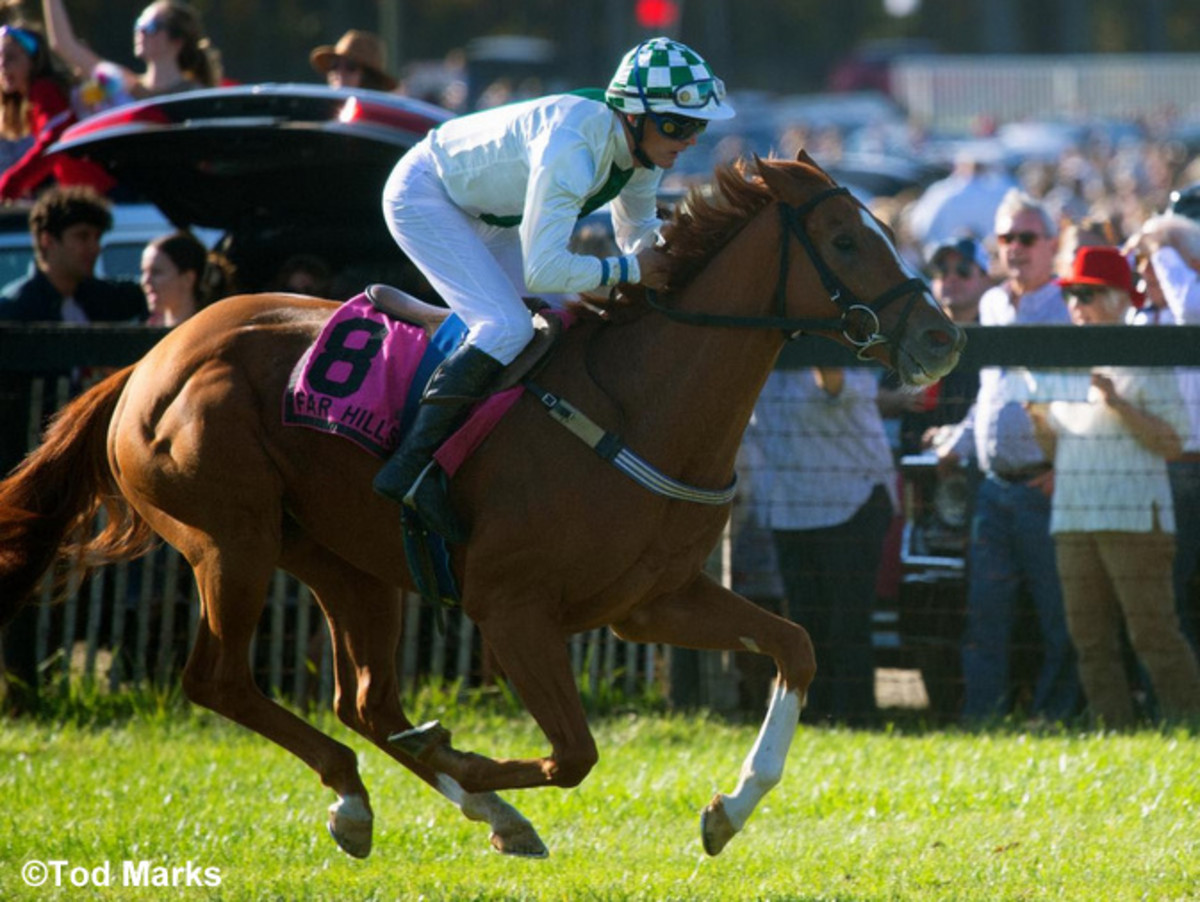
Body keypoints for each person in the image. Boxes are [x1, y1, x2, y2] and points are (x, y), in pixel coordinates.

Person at [374, 36, 733, 542]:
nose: (691, 138)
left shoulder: (639, 152)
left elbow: (638, 238)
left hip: (489, 213)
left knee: (556, 326)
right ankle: (412, 468)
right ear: (633, 115)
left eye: (698, 125)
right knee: (506, 326)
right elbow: (548, 268)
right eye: (678, 124)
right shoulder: (574, 147)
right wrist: (629, 271)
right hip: (424, 194)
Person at [1027, 245, 1200, 728]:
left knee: (1154, 634)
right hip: (1073, 517)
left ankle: (1189, 724)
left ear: (1123, 298)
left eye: (1088, 294)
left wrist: (1119, 403)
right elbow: (1057, 449)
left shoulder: (1149, 356)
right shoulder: (1063, 362)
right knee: (1088, 639)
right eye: (1071, 295)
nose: (1077, 305)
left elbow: (1172, 441)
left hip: (1134, 517)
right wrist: (1038, 419)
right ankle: (1114, 729)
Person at [937, 189, 1080, 724]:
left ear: (1049, 245)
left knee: (1058, 617)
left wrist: (1064, 467)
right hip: (993, 487)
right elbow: (990, 391)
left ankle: (1056, 716)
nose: (1016, 248)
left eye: (1026, 237)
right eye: (1006, 238)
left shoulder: (1071, 304)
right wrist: (961, 440)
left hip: (1049, 487)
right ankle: (982, 721)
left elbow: (1088, 394)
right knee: (986, 617)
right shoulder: (993, 303)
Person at [745, 366, 897, 725]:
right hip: (790, 508)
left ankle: (856, 718)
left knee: (847, 622)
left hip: (854, 500)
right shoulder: (762, 358)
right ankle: (810, 716)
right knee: (804, 621)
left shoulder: (839, 344)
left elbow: (835, 386)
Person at [1123, 211, 1200, 652]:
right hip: (1159, 469)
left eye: (1153, 260)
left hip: (1189, 467)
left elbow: (1189, 308)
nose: (1145, 270)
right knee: (1168, 592)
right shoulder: (1142, 322)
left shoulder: (1187, 303)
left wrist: (1163, 241)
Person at [879, 236, 989, 456]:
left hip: (973, 465)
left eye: (963, 270)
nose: (951, 278)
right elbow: (874, 398)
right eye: (941, 270)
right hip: (914, 464)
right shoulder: (915, 333)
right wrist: (901, 399)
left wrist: (952, 436)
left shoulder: (997, 333)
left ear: (986, 279)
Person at [0, 21, 113, 200]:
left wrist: (11, 183)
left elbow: (55, 141)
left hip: (106, 195)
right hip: (88, 194)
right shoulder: (37, 95)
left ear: (33, 60)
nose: (3, 65)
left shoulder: (45, 90)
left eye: (11, 57)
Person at [0, 184, 145, 322]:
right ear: (47, 241)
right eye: (82, 236)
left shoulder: (101, 297)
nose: (95, 247)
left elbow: (153, 293)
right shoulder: (15, 310)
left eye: (97, 238)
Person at [40, 0, 219, 111]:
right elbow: (64, 45)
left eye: (150, 26)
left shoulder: (198, 95)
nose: (140, 32)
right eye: (138, 25)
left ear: (177, 41)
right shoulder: (122, 85)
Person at [140, 229, 232, 326]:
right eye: (144, 272)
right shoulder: (147, 333)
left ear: (188, 279)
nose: (145, 281)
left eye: (156, 272)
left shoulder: (212, 332)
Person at [309, 29, 397, 92]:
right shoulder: (316, 112)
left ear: (369, 78)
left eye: (350, 66)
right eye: (334, 65)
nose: (339, 72)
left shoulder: (377, 116)